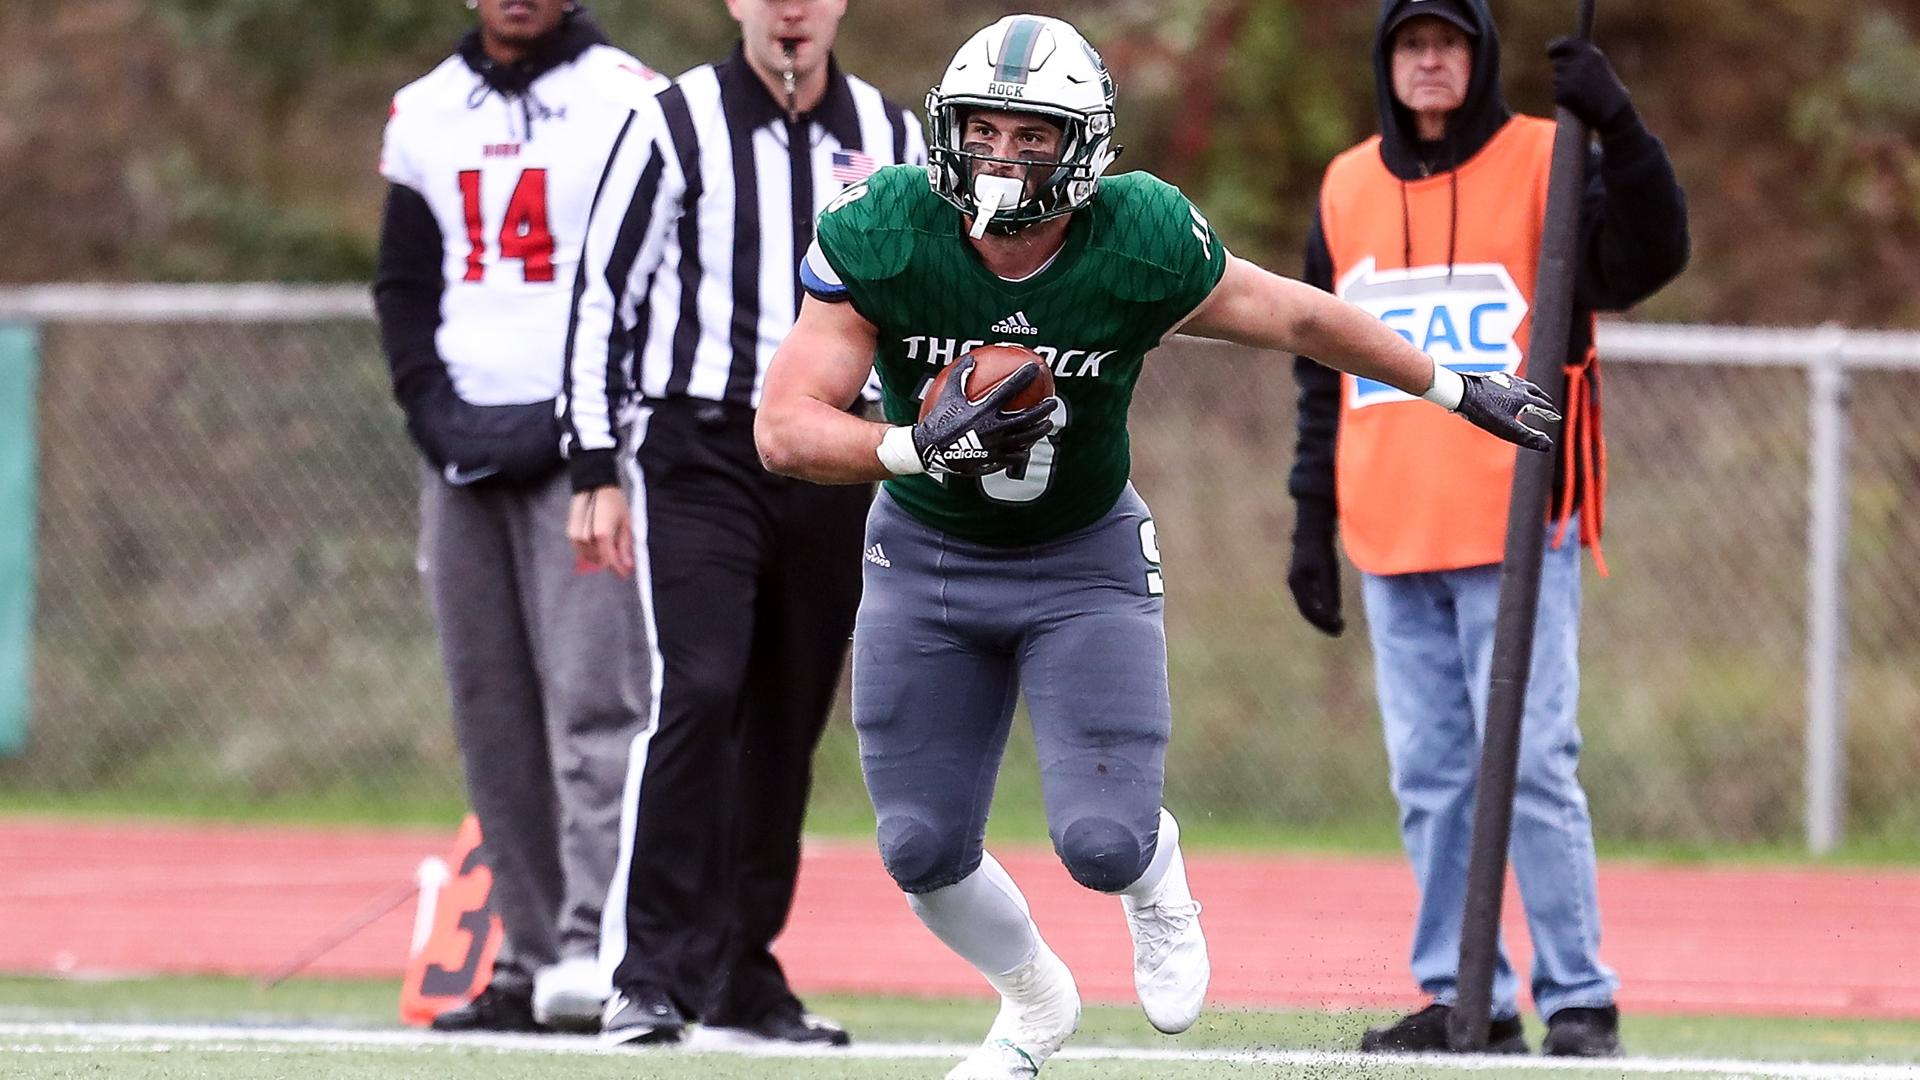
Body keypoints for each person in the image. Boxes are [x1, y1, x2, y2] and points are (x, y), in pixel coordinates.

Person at [749, 14, 1562, 1079]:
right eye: (984, 129)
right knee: (919, 847)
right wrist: (912, 444)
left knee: (1102, 842)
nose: (1002, 155)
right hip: (930, 556)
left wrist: (1455, 387)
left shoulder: (1136, 241)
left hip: (1080, 560)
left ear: (1081, 146)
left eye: (1031, 135)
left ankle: (1156, 875)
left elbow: (1300, 318)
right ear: (947, 131)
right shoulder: (892, 230)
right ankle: (1034, 1005)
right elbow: (783, 426)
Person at [1286, 0, 1688, 1057]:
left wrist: (1621, 126)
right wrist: (1307, 520)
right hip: (1387, 529)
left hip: (1515, 525)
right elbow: (1318, 367)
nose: (1429, 61)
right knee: (1429, 777)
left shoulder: (1548, 160)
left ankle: (1579, 995)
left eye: (1448, 43)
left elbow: (1649, 258)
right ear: (1387, 60)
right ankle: (1470, 995)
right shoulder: (1345, 185)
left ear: (1480, 57)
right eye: (1410, 44)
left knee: (1537, 763)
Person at [561, 0, 926, 1050]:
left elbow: (927, 292)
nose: (793, 9)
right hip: (701, 448)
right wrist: (595, 464)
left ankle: (744, 971)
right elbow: (603, 294)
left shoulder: (892, 136)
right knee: (704, 687)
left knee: (789, 714)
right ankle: (647, 973)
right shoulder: (671, 122)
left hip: (827, 454)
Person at [373, 0, 666, 1034]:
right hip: (460, 450)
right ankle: (533, 955)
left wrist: (592, 427)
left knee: (598, 705)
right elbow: (405, 286)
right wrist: (431, 410)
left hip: (588, 451)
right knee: (489, 709)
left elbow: (659, 278)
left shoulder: (632, 102)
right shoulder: (423, 112)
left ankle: (603, 947)